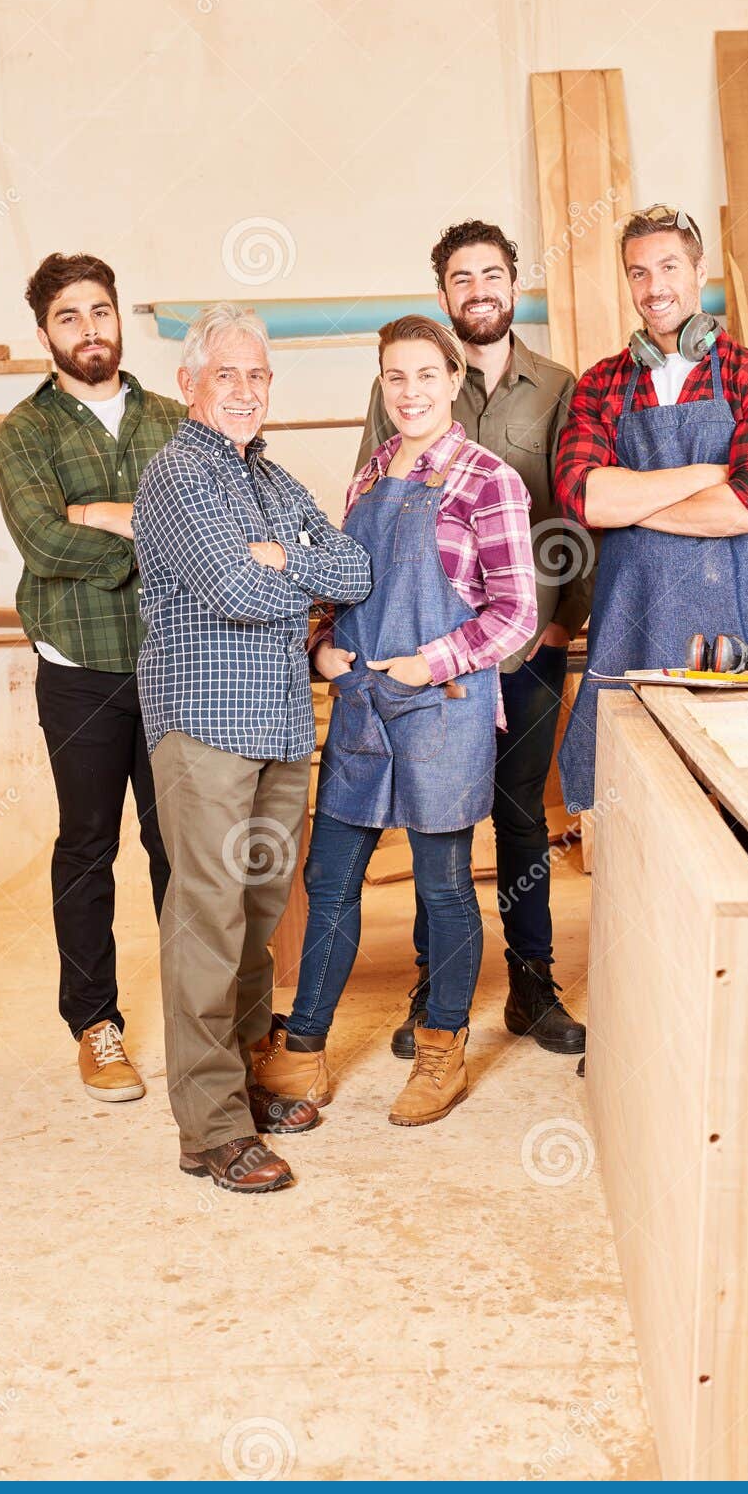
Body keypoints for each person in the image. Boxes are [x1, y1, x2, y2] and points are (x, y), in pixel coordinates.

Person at [252, 316, 537, 1127]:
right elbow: (340, 588)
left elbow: (516, 615)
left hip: (442, 709)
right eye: (394, 377)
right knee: (330, 879)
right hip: (364, 708)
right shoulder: (369, 475)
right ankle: (302, 1051)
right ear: (382, 386)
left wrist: (432, 661)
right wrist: (321, 647)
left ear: (454, 381)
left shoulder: (489, 480)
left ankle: (441, 1049)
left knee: (444, 889)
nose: (409, 391)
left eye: (424, 375)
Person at [554, 204, 748, 1086]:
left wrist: (643, 500)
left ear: (695, 272)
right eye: (637, 272)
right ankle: (643, 1014)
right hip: (630, 624)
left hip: (736, 619)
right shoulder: (598, 386)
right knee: (633, 827)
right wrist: (703, 475)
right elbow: (585, 502)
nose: (654, 287)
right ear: (625, 282)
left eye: (667, 268)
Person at [132, 304, 371, 1193]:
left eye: (256, 376)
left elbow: (355, 568)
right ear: (188, 383)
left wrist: (288, 553)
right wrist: (279, 564)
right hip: (203, 725)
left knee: (259, 916)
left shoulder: (270, 480)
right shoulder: (175, 477)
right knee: (207, 916)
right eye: (224, 374)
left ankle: (236, 1085)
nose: (242, 390)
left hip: (276, 721)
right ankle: (209, 1130)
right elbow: (235, 588)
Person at [354, 221, 588, 1059]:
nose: (477, 289)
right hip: (426, 660)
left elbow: (575, 511)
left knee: (521, 817)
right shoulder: (410, 390)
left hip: (520, 646)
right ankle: (434, 987)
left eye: (492, 274)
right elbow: (367, 515)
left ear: (513, 285)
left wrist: (561, 620)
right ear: (444, 295)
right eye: (461, 278)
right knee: (433, 818)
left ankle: (532, 983)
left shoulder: (558, 387)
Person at [0, 252, 184, 1105]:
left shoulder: (178, 420)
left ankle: (198, 1015)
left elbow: (203, 531)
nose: (89, 329)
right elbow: (42, 543)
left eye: (99, 311)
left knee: (180, 848)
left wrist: (101, 515)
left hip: (179, 668)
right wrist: (145, 530)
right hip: (78, 670)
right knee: (85, 848)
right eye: (69, 317)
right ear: (45, 334)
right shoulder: (25, 431)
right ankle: (95, 1025)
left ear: (118, 319)